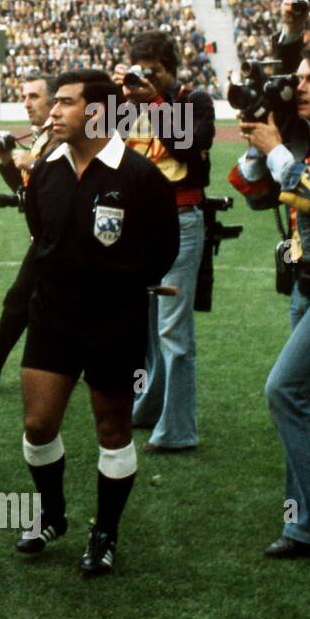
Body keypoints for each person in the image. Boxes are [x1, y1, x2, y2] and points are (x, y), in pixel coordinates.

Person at [14, 70, 179, 577]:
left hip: (114, 319)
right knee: (38, 425)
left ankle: (105, 532)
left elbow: (163, 249)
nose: (54, 112)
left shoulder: (139, 177)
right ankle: (52, 512)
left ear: (99, 112)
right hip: (53, 315)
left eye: (66, 103)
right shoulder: (46, 171)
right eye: (55, 103)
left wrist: (119, 283)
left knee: (112, 427)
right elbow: (40, 232)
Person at [231, 33, 310, 558]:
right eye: (296, 77)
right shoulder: (307, 133)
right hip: (308, 280)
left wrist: (275, 153)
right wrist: (260, 151)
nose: (298, 87)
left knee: (284, 390)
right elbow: (256, 197)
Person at [122, 31, 215, 453]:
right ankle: (151, 405)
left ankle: (179, 429)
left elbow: (190, 147)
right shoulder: (126, 106)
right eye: (139, 72)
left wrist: (154, 104)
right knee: (147, 328)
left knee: (174, 331)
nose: (146, 80)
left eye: (154, 73)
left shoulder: (195, 102)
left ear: (171, 70)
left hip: (181, 218)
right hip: (142, 224)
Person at [0, 73, 58, 391]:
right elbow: (25, 192)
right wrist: (8, 160)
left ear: (53, 100)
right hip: (48, 235)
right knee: (28, 300)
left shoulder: (61, 136)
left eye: (34, 96)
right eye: (25, 96)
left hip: (61, 236)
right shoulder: (43, 136)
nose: (26, 103)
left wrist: (35, 163)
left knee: (23, 299)